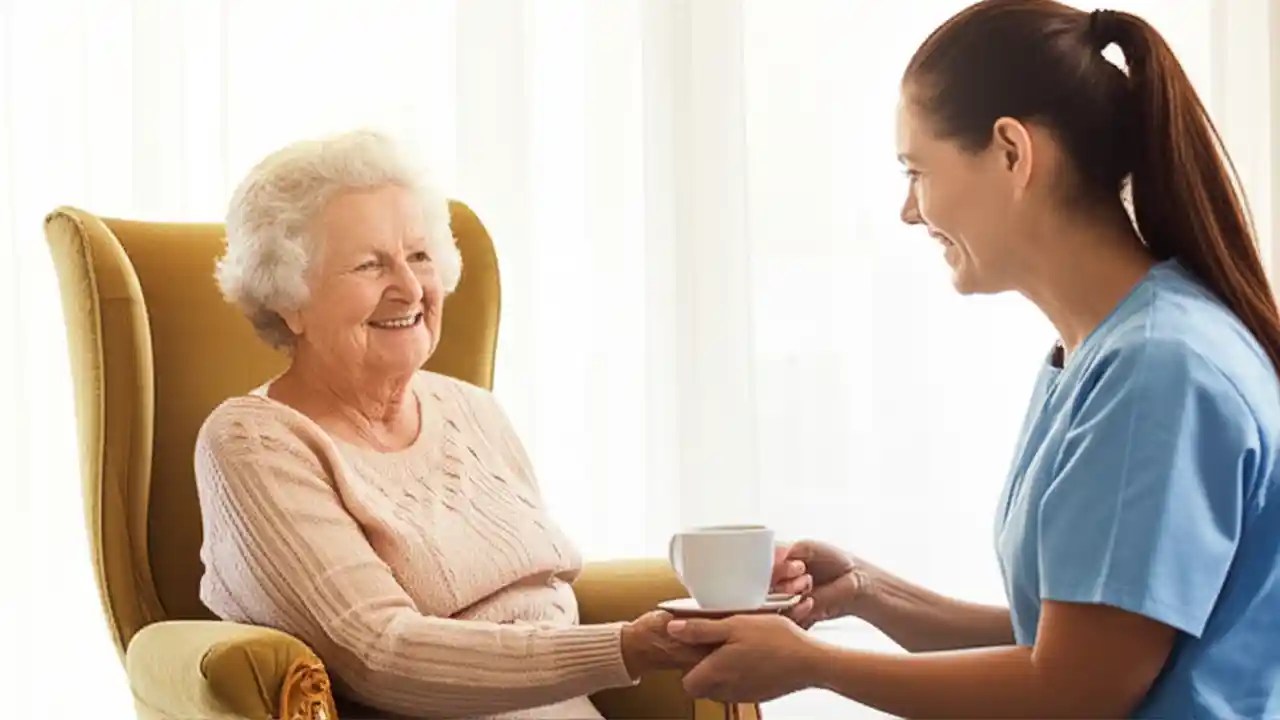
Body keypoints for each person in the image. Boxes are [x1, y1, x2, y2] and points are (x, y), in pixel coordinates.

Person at [666, 2, 1280, 717]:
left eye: (916, 170)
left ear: (1012, 153)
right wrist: (870, 592)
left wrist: (815, 667)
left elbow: (1074, 692)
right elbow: (1069, 647)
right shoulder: (1112, 351)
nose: (908, 210)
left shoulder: (1155, 373)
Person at [194, 130, 698, 719]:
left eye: (419, 256)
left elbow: (548, 594)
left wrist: (719, 598)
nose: (408, 288)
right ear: (289, 300)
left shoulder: (471, 410)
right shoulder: (255, 443)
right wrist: (628, 646)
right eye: (368, 264)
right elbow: (377, 652)